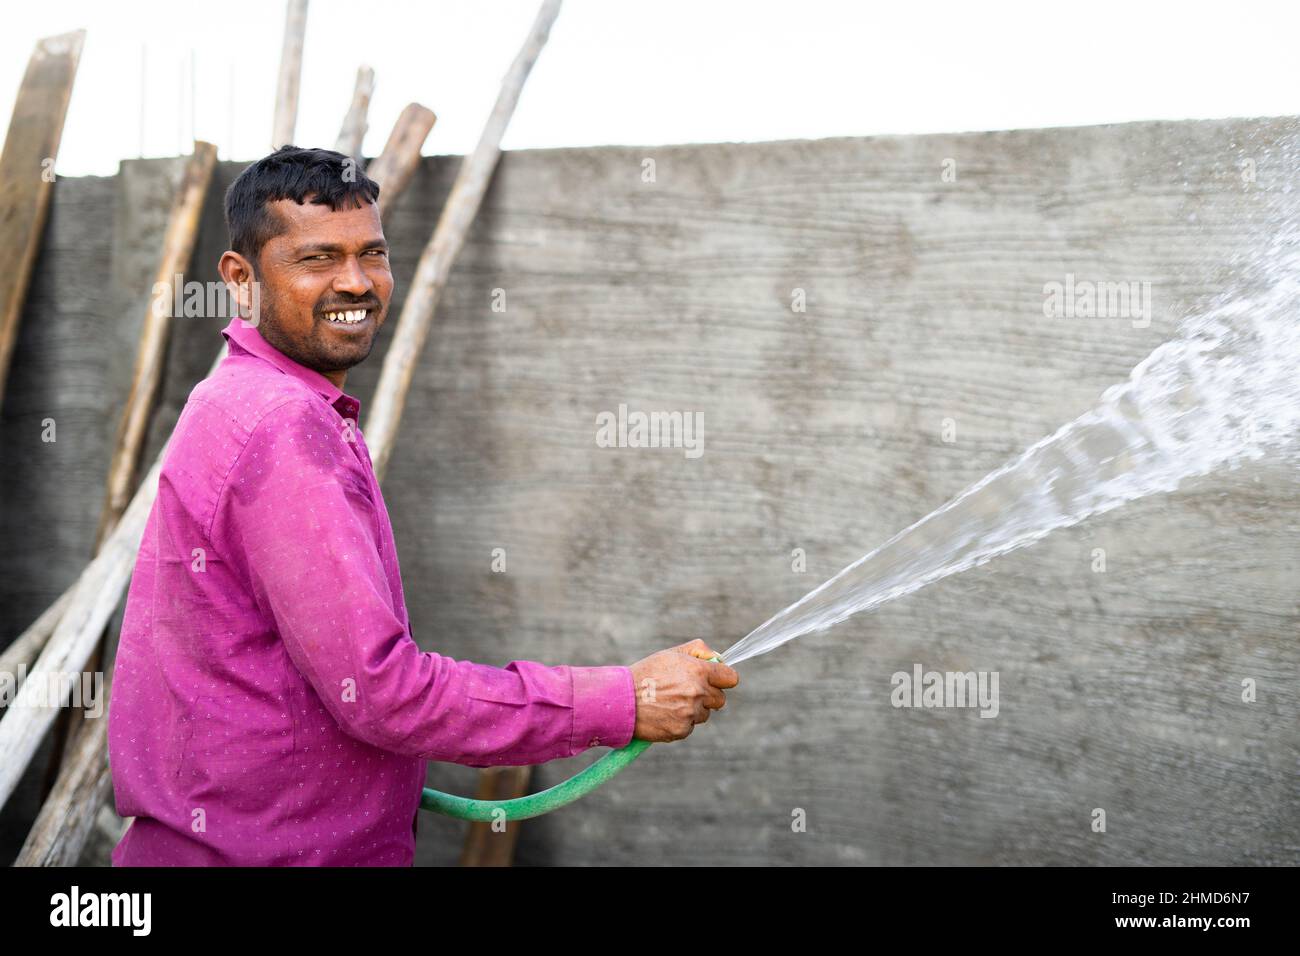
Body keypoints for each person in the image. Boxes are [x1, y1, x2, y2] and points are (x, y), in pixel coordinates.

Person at [107, 146, 738, 866]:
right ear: (240, 280)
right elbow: (384, 694)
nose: (356, 282)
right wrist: (624, 699)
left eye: (372, 254)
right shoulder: (281, 424)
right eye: (318, 259)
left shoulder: (236, 399)